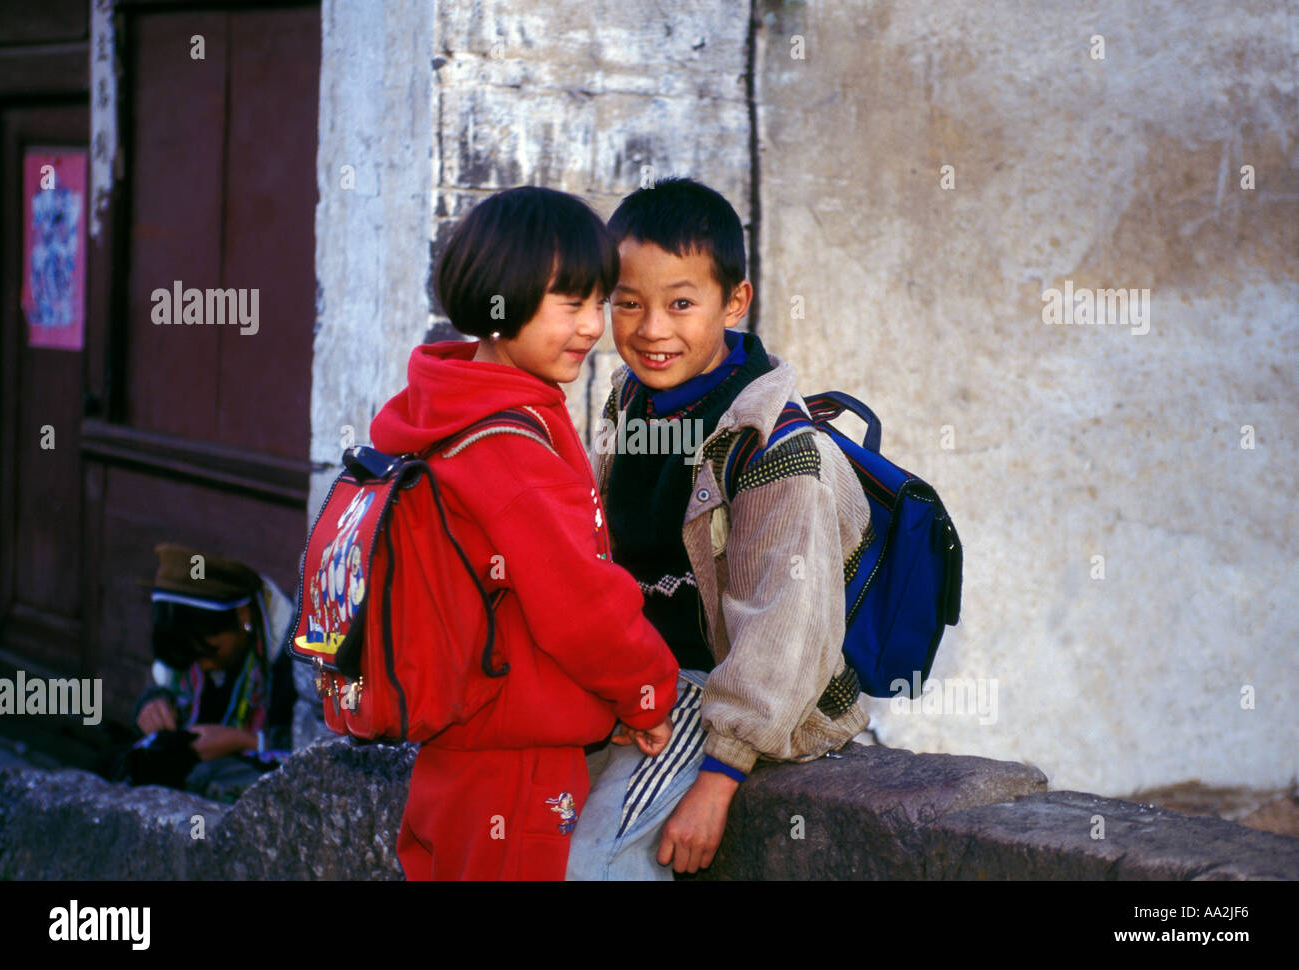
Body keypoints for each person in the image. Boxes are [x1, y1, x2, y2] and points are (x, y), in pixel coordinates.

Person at [368, 185, 679, 881]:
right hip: (518, 766)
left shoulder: (449, 411)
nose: (593, 327)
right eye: (571, 305)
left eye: (597, 303)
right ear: (499, 300)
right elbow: (579, 605)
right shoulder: (509, 448)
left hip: (455, 754)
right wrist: (648, 693)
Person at [566, 177, 873, 879]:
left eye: (681, 303)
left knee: (589, 862)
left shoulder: (773, 446)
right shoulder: (633, 399)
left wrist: (720, 774)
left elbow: (785, 620)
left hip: (717, 696)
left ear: (734, 301)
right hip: (643, 682)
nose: (651, 330)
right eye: (628, 303)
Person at [129, 543, 308, 800]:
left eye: (209, 652)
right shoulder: (191, 658)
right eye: (192, 656)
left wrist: (249, 742)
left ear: (243, 616)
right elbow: (165, 683)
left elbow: (314, 745)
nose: (203, 667)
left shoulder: (296, 657)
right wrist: (153, 703)